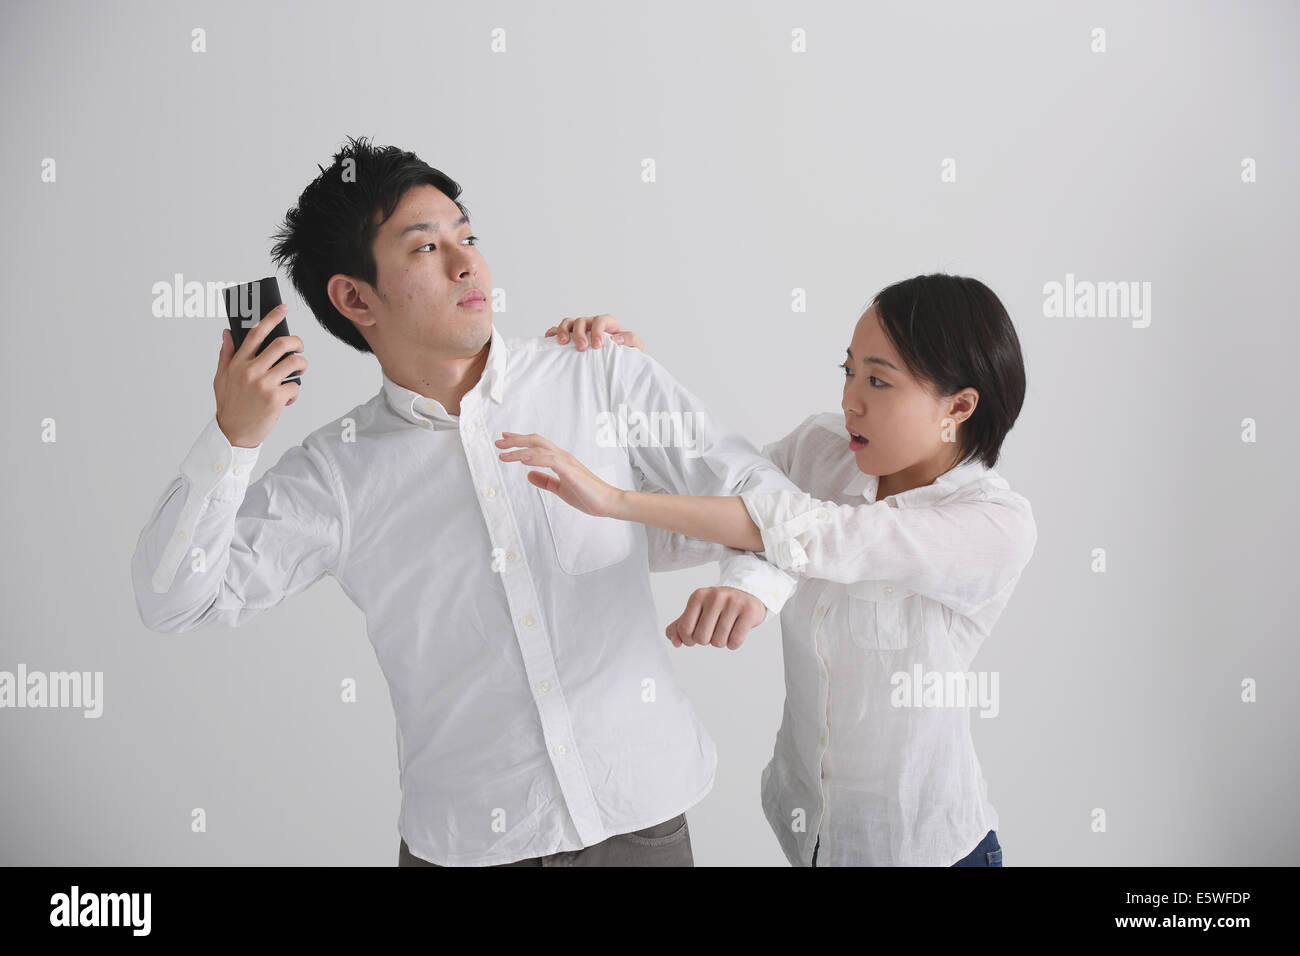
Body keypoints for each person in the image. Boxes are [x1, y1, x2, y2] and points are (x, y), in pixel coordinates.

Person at [130, 135, 804, 867]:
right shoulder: (335, 472)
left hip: (642, 821)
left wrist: (752, 585)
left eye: (468, 236)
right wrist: (233, 437)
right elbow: (175, 600)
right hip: (470, 846)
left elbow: (770, 500)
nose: (467, 263)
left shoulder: (598, 374)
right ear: (355, 297)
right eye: (425, 248)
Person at [512, 274, 1038, 866]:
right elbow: (683, 532)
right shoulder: (823, 448)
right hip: (809, 834)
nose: (850, 401)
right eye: (849, 372)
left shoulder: (993, 525)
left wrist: (616, 500)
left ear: (959, 406)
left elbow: (814, 533)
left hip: (923, 847)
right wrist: (601, 381)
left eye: (878, 381)